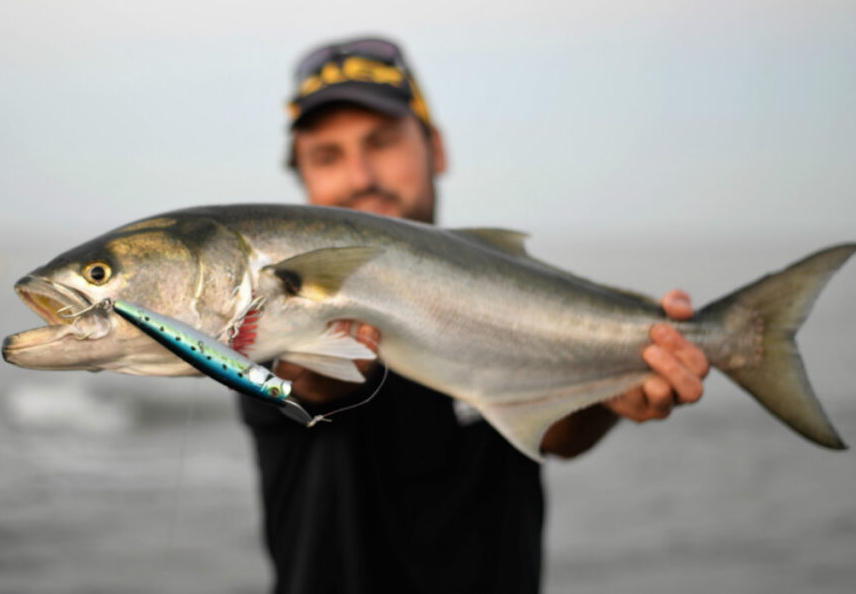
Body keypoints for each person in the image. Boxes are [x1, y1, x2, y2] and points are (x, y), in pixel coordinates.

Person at [239, 37, 709, 594]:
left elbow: (555, 433)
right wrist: (315, 370)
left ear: (435, 148)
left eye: (382, 142)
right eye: (327, 156)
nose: (360, 175)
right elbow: (297, 387)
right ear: (303, 180)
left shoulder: (509, 296)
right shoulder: (265, 318)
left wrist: (614, 383)